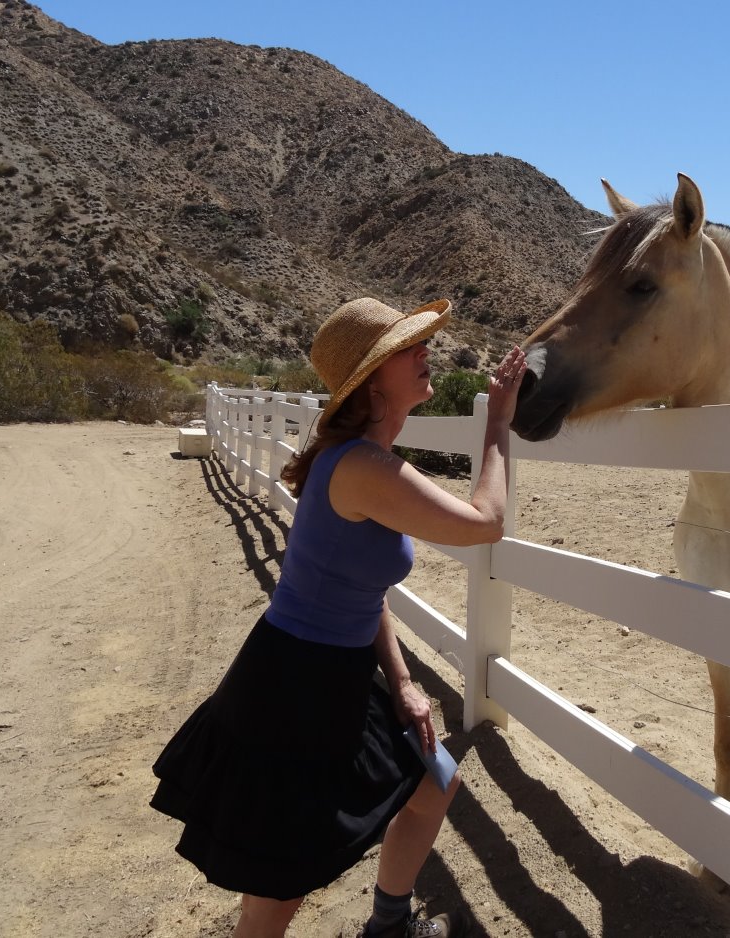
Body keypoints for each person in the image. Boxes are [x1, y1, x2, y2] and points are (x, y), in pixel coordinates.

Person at [151, 296, 527, 938]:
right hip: (293, 687)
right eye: (409, 347)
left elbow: (366, 589)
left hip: (332, 674)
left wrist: (403, 682)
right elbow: (484, 523)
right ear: (374, 379)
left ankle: (388, 926)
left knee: (433, 785)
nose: (424, 351)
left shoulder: (357, 460)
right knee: (278, 889)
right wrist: (497, 428)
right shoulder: (361, 466)